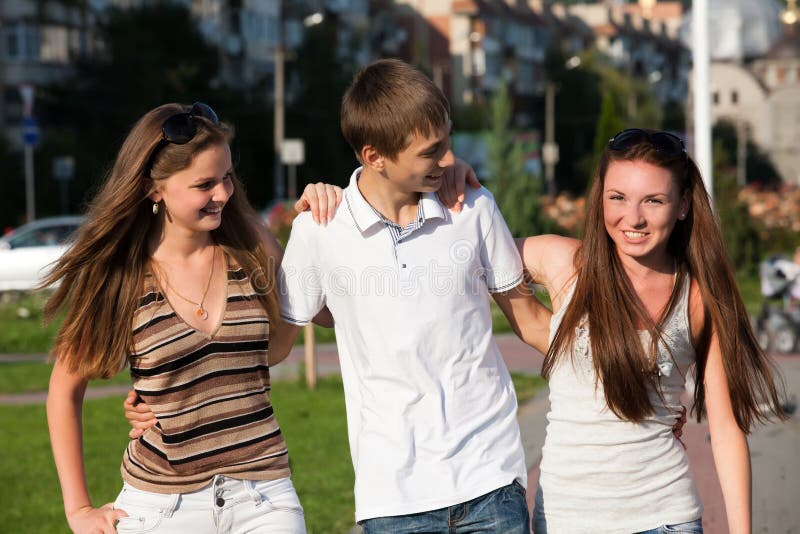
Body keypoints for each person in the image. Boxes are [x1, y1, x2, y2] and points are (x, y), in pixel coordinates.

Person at [128, 59, 551, 532]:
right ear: (374, 157)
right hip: (393, 497)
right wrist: (167, 390)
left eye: (447, 144)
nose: (448, 158)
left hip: (491, 477)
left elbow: (532, 323)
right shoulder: (321, 229)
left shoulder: (471, 206)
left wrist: (615, 356)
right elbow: (277, 344)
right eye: (432, 152)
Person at [44, 102, 315, 534]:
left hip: (263, 496)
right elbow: (64, 388)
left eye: (227, 177)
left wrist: (320, 225)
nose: (223, 193)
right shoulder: (120, 277)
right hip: (161, 507)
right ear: (155, 190)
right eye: (204, 184)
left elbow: (276, 349)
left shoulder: (251, 249)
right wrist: (78, 510)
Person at [514, 129, 786, 533]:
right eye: (617, 197)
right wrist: (455, 175)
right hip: (565, 520)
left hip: (664, 518)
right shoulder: (565, 263)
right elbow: (472, 255)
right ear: (600, 197)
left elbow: (726, 428)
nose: (633, 217)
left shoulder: (697, 296)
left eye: (653, 200)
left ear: (682, 205)